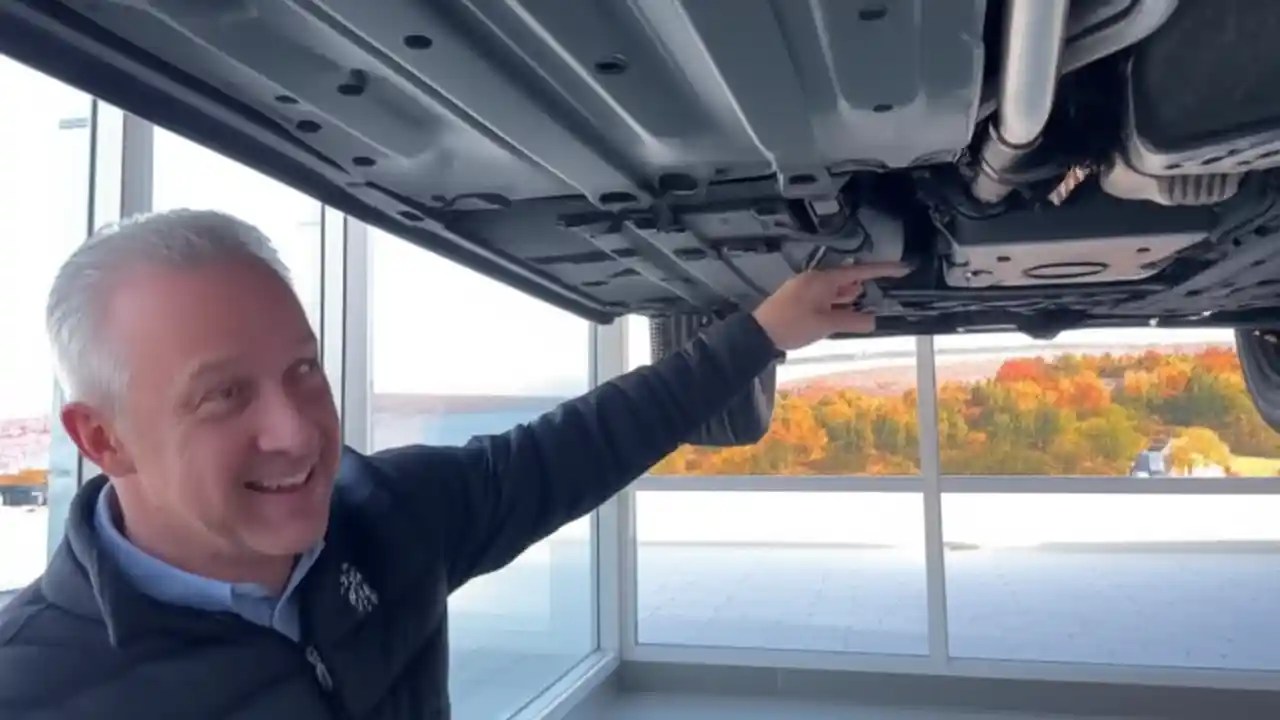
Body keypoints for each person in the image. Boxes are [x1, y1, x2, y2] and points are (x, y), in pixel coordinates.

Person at [0, 208, 908, 719]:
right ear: (102, 439)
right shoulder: (36, 686)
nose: (297, 430)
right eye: (223, 396)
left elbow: (584, 443)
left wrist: (764, 333)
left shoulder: (391, 516)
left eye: (305, 370)